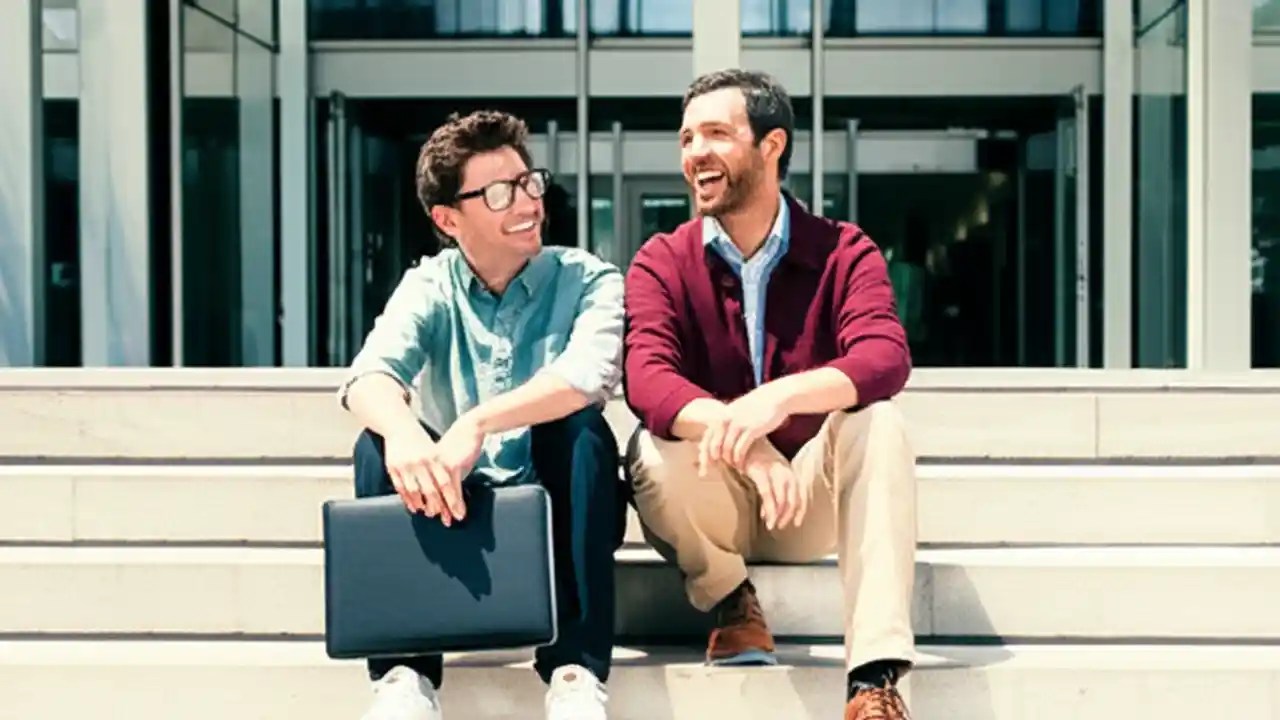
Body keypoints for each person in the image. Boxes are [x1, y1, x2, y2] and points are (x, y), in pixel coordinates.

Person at [622, 69, 918, 720]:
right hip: (714, 493)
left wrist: (779, 398)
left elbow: (885, 355)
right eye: (686, 138)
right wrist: (746, 439)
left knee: (882, 422)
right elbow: (647, 377)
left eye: (717, 134)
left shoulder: (844, 250)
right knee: (648, 445)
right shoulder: (661, 261)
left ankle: (873, 680)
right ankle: (733, 603)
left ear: (771, 146)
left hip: (804, 497)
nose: (695, 152)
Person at [338, 109, 625, 720]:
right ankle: (403, 675)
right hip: (452, 498)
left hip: (552, 502)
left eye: (528, 182)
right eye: (499, 193)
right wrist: (403, 434)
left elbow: (587, 375)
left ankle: (574, 672)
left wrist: (477, 422)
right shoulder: (430, 285)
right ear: (447, 218)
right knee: (375, 442)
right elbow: (367, 377)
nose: (526, 202)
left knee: (584, 436)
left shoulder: (589, 279)